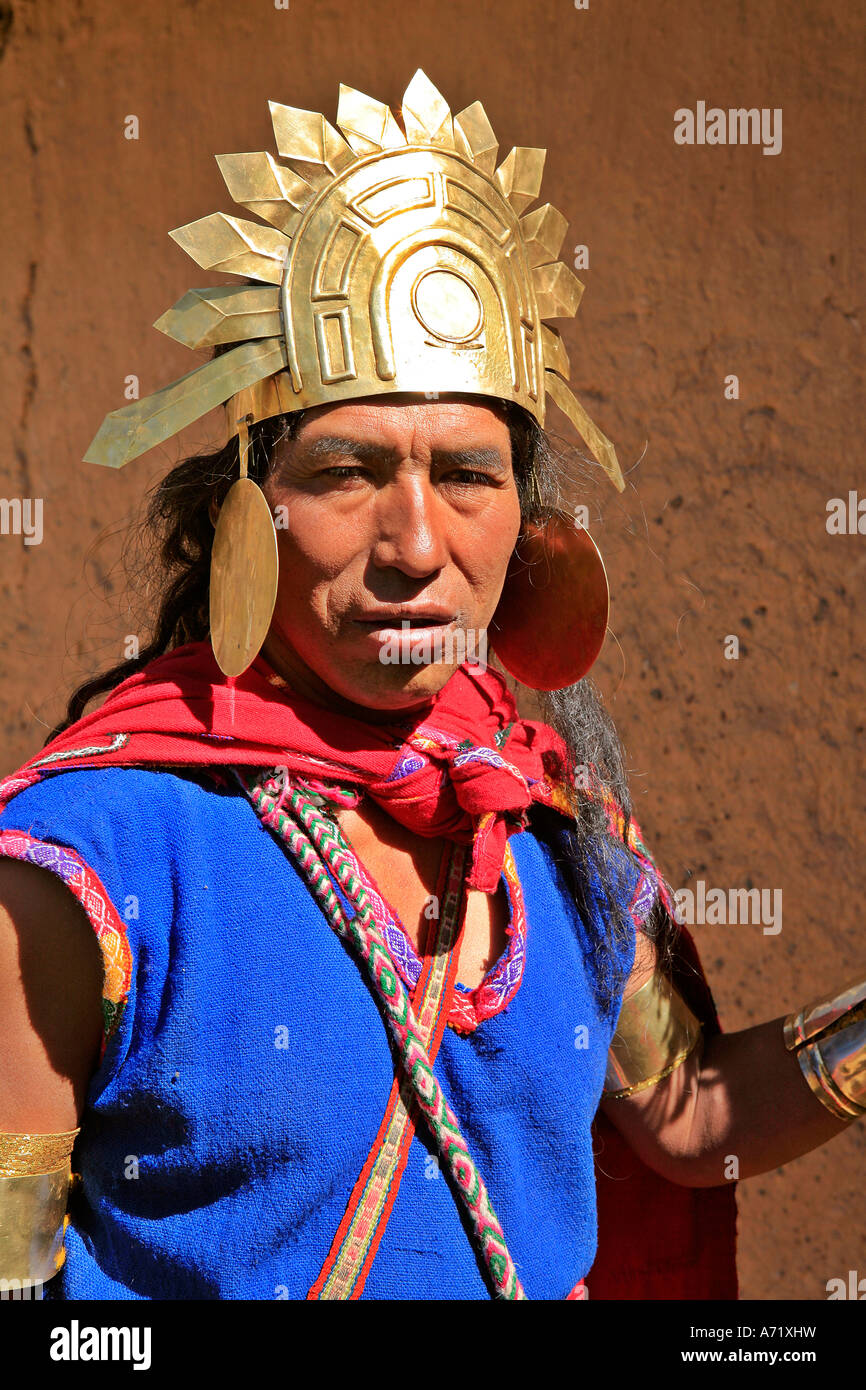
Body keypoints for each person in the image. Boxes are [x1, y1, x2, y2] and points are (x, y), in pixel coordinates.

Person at [0, 72, 862, 1302]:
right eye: (348, 471)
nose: (415, 546)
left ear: (530, 526)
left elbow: (681, 1111)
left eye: (467, 475)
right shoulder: (86, 864)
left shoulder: (546, 829)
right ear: (249, 511)